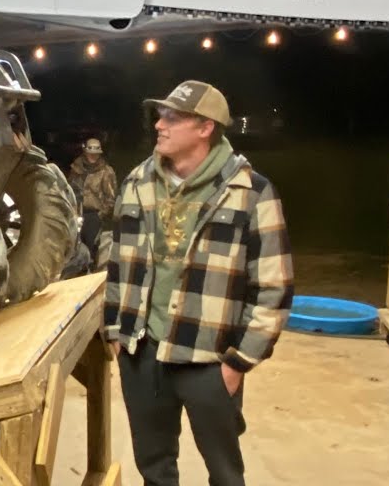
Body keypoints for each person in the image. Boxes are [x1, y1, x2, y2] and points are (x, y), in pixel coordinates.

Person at [102, 80, 293, 486]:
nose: (159, 125)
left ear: (205, 128)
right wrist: (117, 333)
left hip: (209, 359)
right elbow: (117, 262)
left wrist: (239, 361)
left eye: (172, 117)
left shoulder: (250, 192)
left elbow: (273, 288)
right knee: (154, 468)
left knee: (225, 473)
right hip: (143, 352)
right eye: (160, 115)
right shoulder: (137, 183)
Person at [68, 136, 117, 270]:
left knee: (92, 247)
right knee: (74, 245)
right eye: (91, 153)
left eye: (96, 154)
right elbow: (69, 189)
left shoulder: (106, 172)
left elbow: (111, 198)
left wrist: (100, 214)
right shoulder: (76, 168)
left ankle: (93, 271)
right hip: (76, 213)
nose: (93, 157)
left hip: (94, 215)